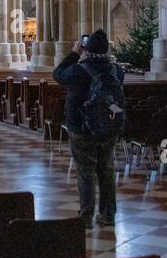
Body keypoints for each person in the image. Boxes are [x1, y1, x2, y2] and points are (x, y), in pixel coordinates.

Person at [53, 29, 125, 229]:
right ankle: (108, 214)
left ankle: (86, 217)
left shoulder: (77, 70)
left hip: (82, 128)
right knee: (107, 171)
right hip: (109, 127)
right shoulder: (116, 71)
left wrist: (75, 53)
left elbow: (58, 74)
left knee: (86, 172)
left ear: (87, 48)